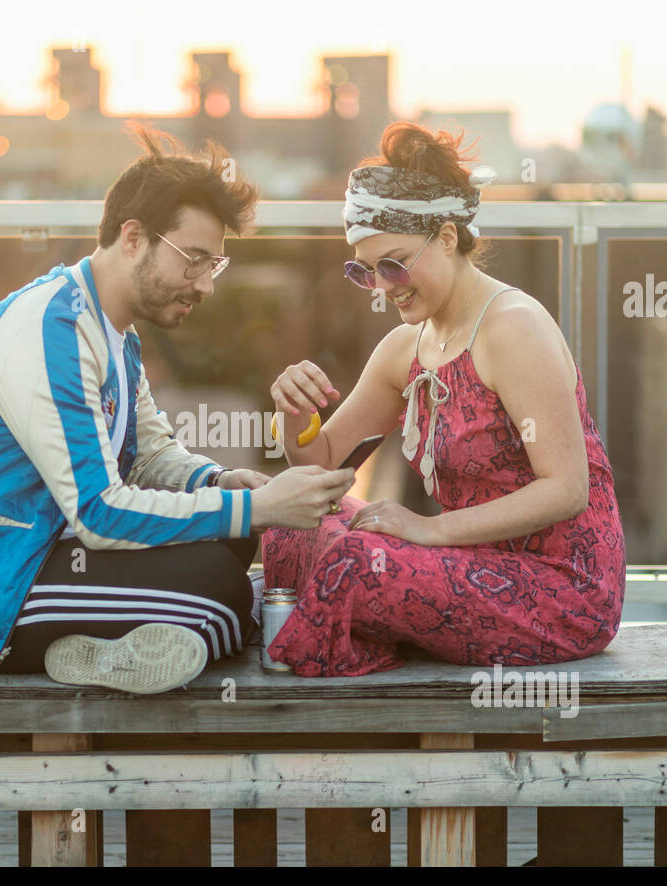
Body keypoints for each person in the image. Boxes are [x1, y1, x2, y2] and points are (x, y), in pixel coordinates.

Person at [0, 124, 354, 694]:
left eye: (214, 267)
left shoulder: (114, 334)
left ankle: (132, 645)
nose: (205, 286)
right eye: (194, 260)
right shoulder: (52, 331)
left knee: (230, 546)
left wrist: (226, 481)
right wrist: (255, 506)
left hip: (26, 544)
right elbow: (100, 513)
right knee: (221, 589)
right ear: (133, 237)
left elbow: (150, 454)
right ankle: (176, 633)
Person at [262, 121, 626, 677]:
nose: (384, 286)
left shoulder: (512, 328)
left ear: (449, 238)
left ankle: (319, 635)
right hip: (470, 565)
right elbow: (319, 467)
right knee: (291, 519)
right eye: (366, 272)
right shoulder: (405, 348)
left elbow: (568, 488)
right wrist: (294, 418)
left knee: (356, 561)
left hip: (562, 590)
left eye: (394, 263)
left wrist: (428, 529)